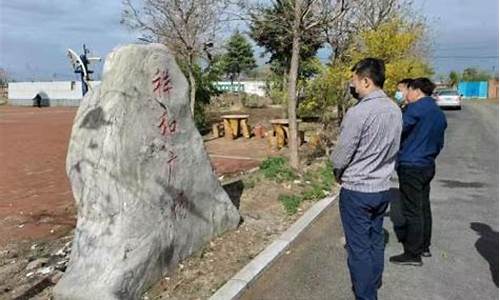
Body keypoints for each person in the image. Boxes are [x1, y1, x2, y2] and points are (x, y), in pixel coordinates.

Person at [331, 58, 402, 300]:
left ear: (366, 81)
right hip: (382, 188)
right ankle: (373, 281)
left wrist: (337, 170)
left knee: (358, 248)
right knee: (374, 240)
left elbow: (342, 154)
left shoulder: (359, 112)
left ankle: (366, 295)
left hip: (357, 190)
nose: (353, 87)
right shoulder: (395, 109)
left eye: (354, 82)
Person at [389, 77, 447, 266]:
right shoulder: (438, 112)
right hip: (427, 164)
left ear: (416, 91)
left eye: (407, 91)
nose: (405, 94)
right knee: (423, 206)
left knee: (412, 209)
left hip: (412, 164)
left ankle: (412, 254)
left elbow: (397, 129)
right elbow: (439, 142)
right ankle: (424, 246)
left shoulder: (415, 109)